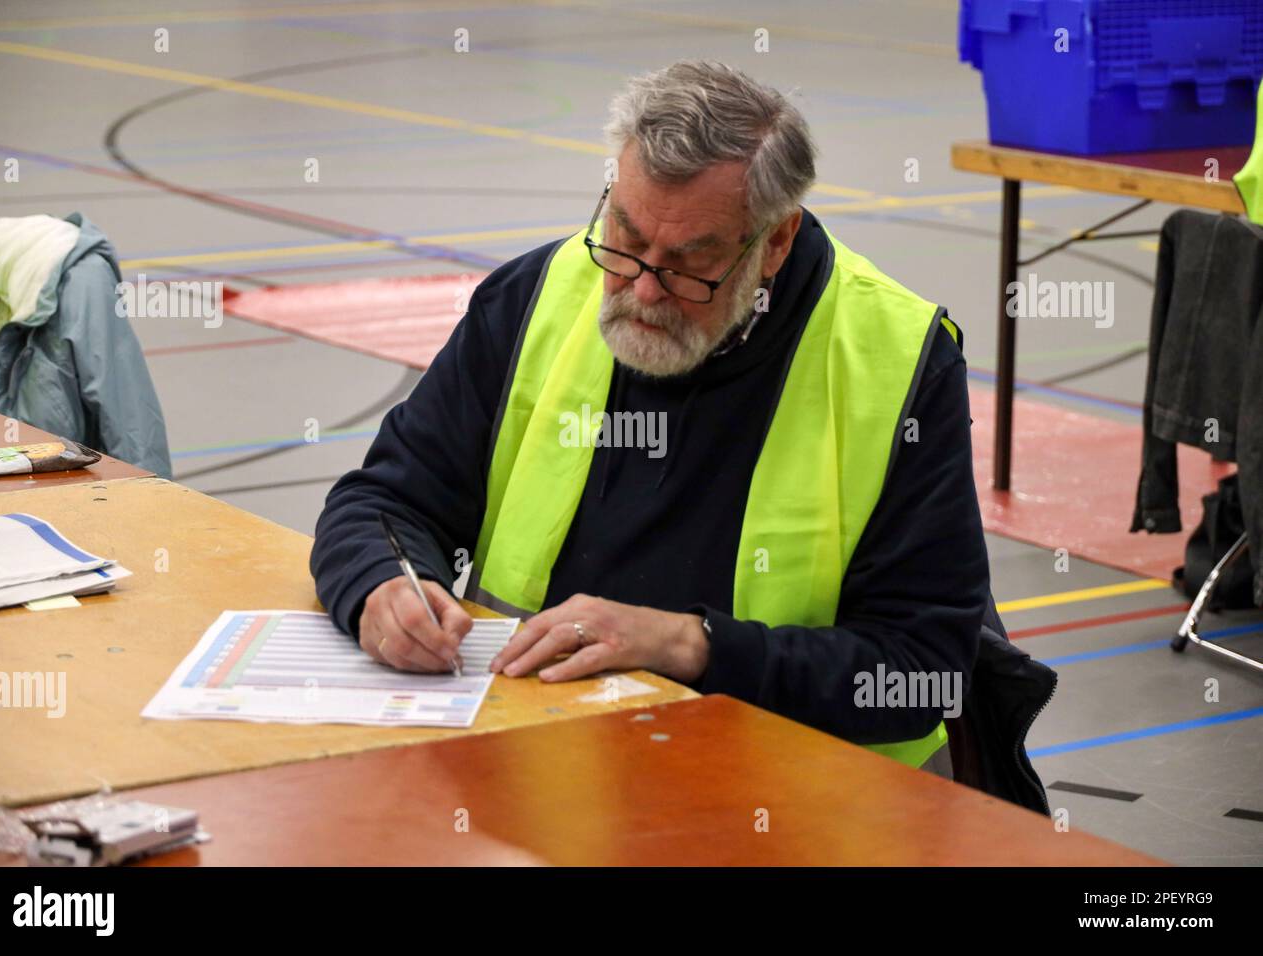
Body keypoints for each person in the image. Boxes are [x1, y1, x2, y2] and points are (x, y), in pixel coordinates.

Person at [311, 59, 992, 775]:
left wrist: (692, 647)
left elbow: (923, 673)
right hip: (545, 771)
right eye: (626, 239)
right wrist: (383, 584)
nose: (641, 289)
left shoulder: (897, 360)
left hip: (801, 803)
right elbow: (382, 501)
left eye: (687, 265)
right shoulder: (534, 298)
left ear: (776, 243)